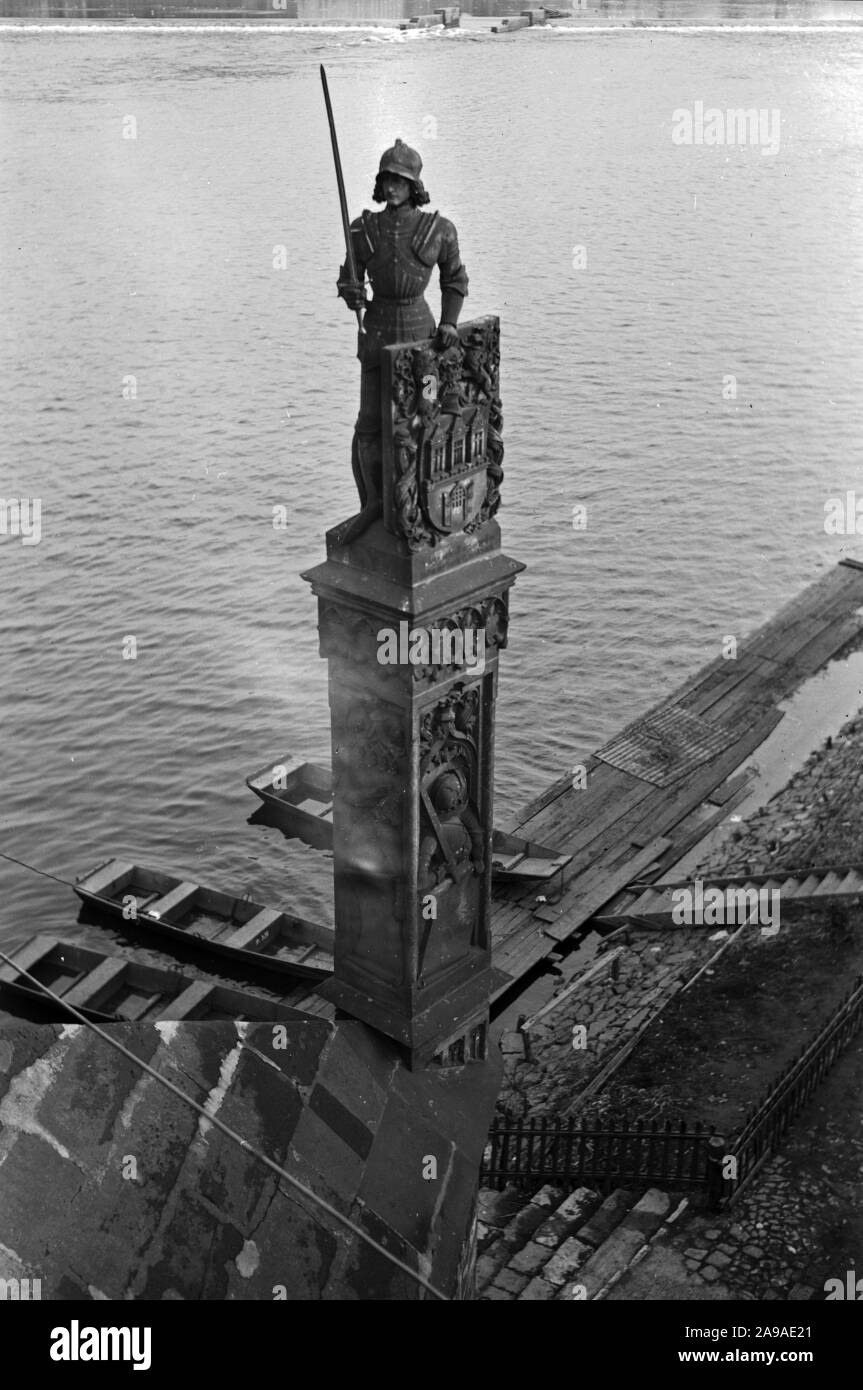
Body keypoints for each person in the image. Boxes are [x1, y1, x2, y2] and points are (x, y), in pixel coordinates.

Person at [336, 139, 469, 542]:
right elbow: (348, 278)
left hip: (420, 339)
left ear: (414, 185)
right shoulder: (364, 229)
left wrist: (448, 323)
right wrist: (352, 292)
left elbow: (455, 280)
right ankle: (373, 504)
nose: (391, 186)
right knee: (370, 426)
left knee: (423, 420)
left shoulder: (439, 231)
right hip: (376, 335)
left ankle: (422, 503)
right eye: (386, 179)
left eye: (399, 179)